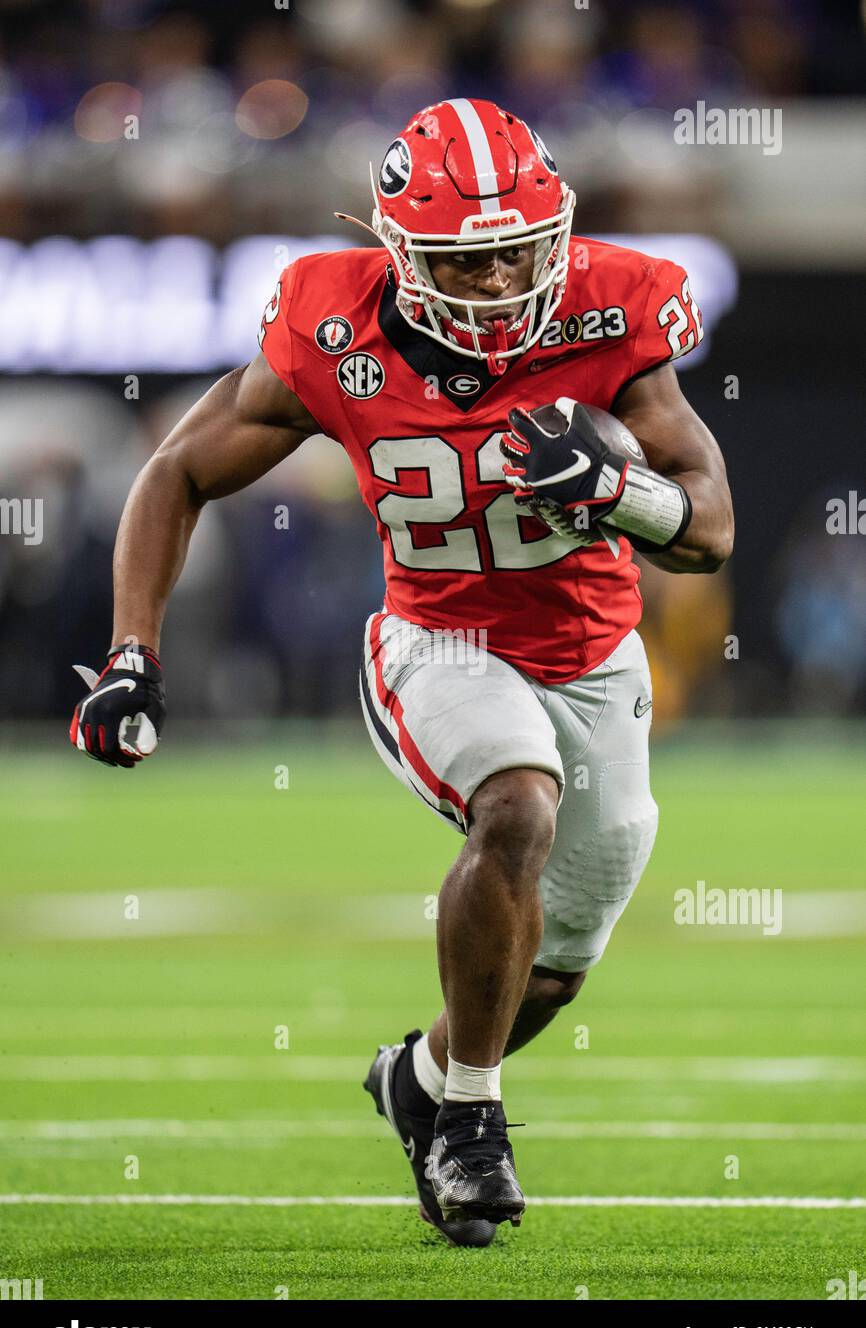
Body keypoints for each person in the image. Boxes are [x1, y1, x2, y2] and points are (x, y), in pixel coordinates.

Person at [70, 98, 733, 1247]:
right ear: (401, 256)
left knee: (556, 966)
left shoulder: (612, 308)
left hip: (590, 654)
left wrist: (613, 488)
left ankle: (421, 1077)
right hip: (439, 638)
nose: (503, 282)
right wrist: (133, 652)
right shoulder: (333, 327)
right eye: (468, 264)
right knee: (515, 806)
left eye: (520, 250)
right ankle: (470, 1122)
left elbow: (709, 527)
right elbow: (178, 470)